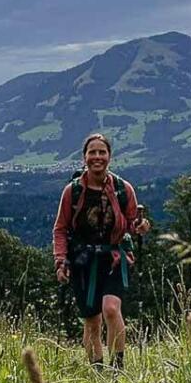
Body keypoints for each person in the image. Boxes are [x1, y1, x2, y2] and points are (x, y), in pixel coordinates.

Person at [53, 133, 151, 370]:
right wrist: (60, 261)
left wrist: (141, 227)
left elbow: (131, 224)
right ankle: (98, 371)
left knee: (110, 308)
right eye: (92, 152)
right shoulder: (72, 192)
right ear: (84, 157)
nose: (97, 157)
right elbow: (60, 228)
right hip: (82, 261)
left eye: (102, 152)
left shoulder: (123, 189)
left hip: (114, 257)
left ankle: (118, 368)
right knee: (92, 322)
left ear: (109, 156)